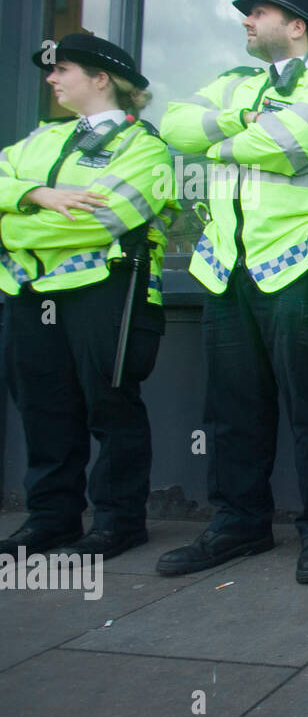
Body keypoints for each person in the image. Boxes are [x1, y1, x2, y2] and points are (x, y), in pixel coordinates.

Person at [155, 0, 308, 585]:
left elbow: (285, 141)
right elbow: (173, 126)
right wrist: (243, 122)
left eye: (259, 12)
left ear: (297, 25)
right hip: (225, 268)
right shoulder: (234, 83)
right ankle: (238, 523)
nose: (246, 20)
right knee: (230, 409)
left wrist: (223, 135)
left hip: (302, 262)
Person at [0, 34, 177, 560]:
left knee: (111, 407)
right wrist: (37, 195)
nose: (52, 79)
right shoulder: (39, 140)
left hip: (106, 290)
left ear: (102, 79)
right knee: (44, 408)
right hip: (30, 293)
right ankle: (50, 520)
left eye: (63, 69)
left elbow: (104, 219)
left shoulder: (143, 146)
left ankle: (118, 522)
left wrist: (12, 223)